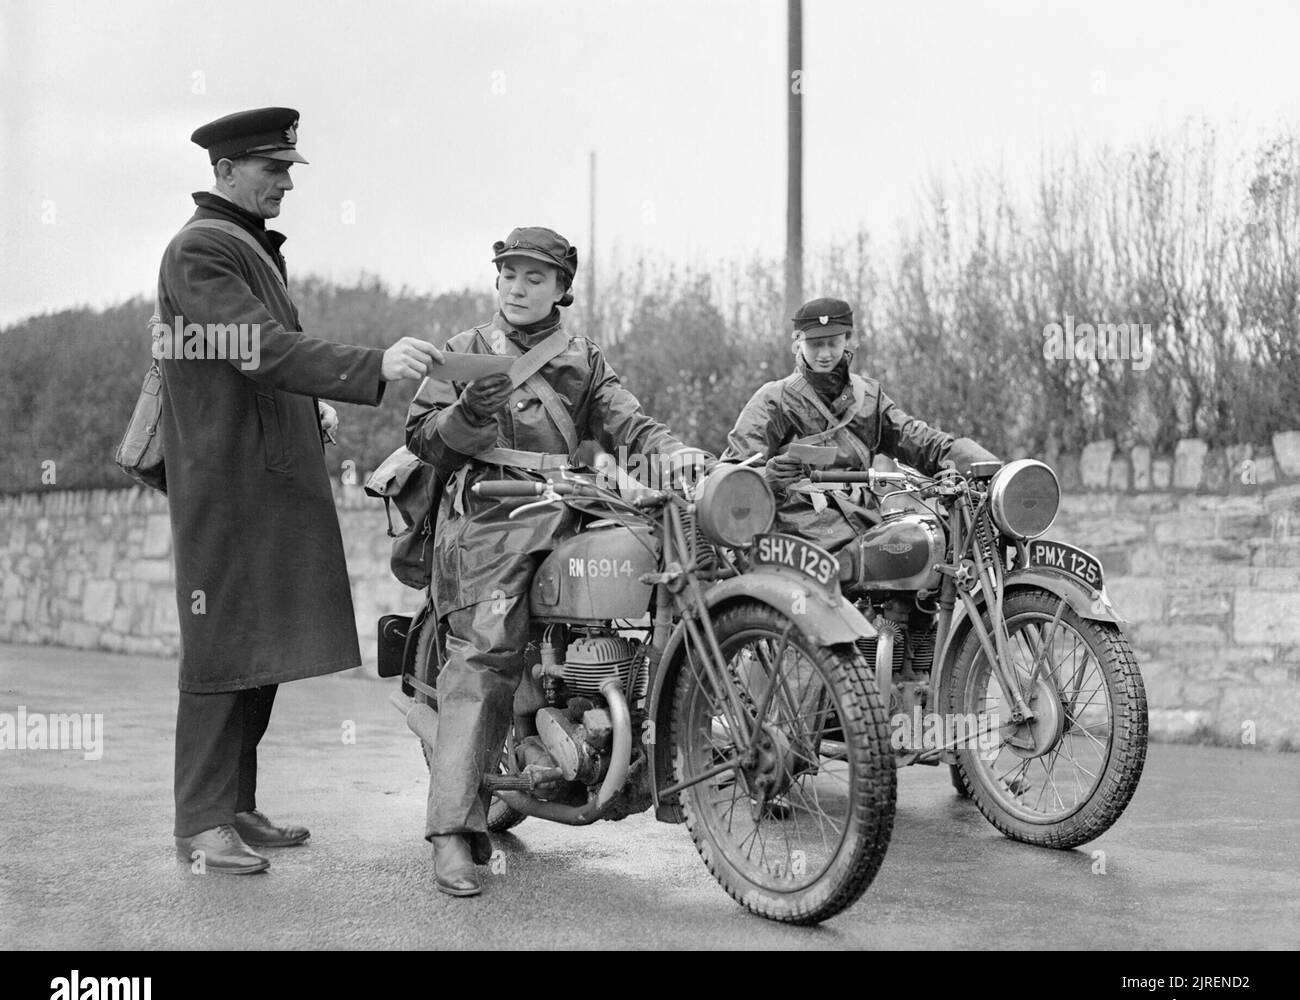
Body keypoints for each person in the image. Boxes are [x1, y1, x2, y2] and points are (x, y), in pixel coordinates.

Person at [160, 107, 442, 875]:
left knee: (260, 642)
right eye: (272, 169)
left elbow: (255, 356)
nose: (286, 182)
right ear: (224, 173)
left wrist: (309, 401)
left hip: (260, 480)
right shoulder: (201, 250)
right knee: (222, 647)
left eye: (288, 169)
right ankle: (201, 819)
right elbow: (255, 347)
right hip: (226, 483)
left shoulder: (245, 247)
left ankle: (236, 804)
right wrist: (370, 367)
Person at [405, 227, 704, 897]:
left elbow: (632, 425)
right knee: (486, 648)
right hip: (488, 509)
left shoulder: (583, 358)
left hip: (570, 500)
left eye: (534, 277)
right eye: (508, 273)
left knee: (666, 563)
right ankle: (453, 831)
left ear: (562, 289)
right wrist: (465, 415)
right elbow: (424, 438)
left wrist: (677, 453)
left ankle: (627, 728)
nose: (517, 285)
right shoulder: (464, 351)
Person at [722, 297, 997, 552]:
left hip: (864, 525)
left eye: (833, 342)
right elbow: (732, 472)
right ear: (798, 343)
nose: (825, 353)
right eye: (816, 344)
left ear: (847, 340)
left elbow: (917, 440)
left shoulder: (868, 397)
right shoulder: (774, 399)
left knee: (924, 558)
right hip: (796, 535)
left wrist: (983, 466)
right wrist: (767, 478)